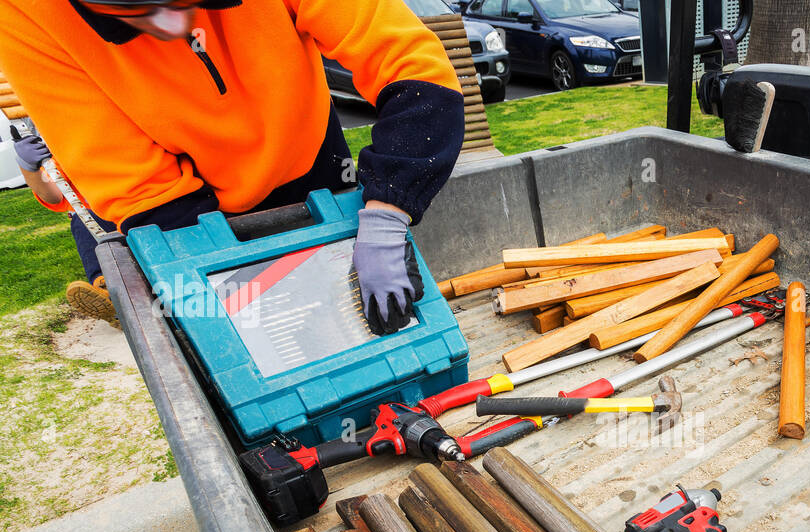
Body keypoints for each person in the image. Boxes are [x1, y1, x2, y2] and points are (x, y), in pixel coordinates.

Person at [0, 0, 466, 334]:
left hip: (307, 150)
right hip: (185, 193)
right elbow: (135, 182)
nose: (176, 23)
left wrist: (388, 211)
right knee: (263, 329)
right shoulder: (24, 13)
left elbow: (413, 68)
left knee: (348, 311)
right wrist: (231, 305)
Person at [12, 126, 119, 322]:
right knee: (81, 219)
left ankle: (120, 298)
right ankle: (105, 290)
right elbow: (52, 195)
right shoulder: (59, 151)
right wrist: (28, 167)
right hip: (99, 216)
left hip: (138, 204)